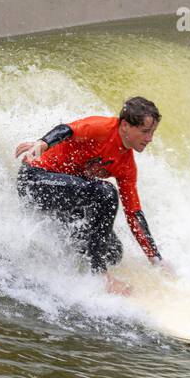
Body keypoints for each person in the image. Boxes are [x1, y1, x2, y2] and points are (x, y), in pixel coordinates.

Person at [14, 97, 173, 292]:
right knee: (105, 192)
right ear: (125, 125)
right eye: (145, 131)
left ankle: (72, 271)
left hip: (67, 198)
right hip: (36, 180)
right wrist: (42, 144)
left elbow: (134, 214)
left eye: (153, 132)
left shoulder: (126, 165)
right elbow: (67, 129)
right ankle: (100, 276)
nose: (150, 139)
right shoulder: (103, 128)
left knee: (113, 251)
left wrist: (155, 258)